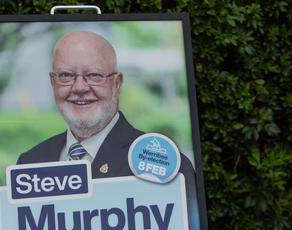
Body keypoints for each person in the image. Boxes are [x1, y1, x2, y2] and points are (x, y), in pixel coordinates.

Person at [17, 30, 195, 185]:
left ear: (117, 83)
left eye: (94, 75)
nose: (79, 88)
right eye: (66, 75)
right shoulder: (29, 165)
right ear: (53, 83)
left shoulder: (163, 165)